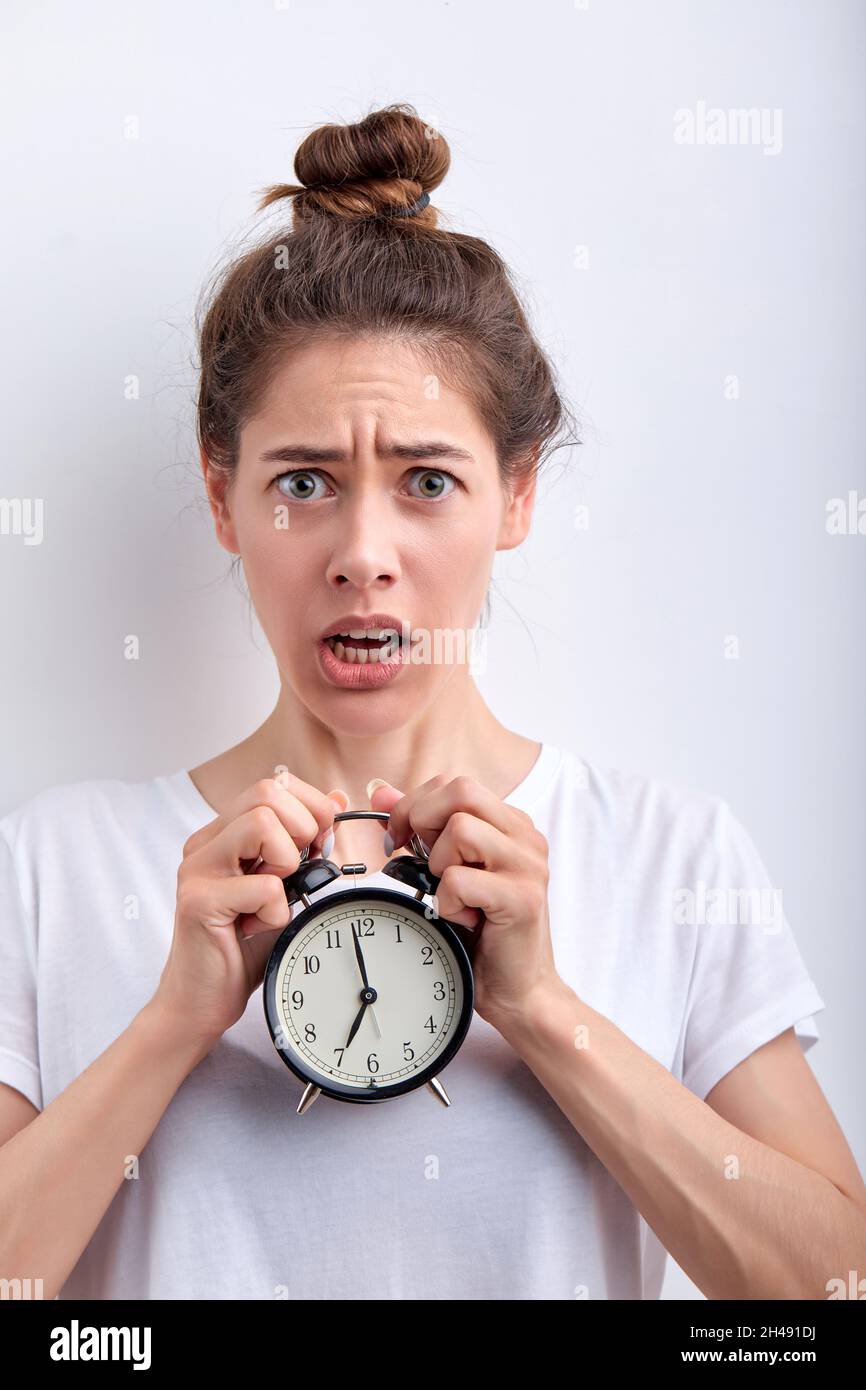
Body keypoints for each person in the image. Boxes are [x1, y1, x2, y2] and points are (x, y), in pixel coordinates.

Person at [1, 103, 863, 1302]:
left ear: (513, 496)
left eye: (425, 481)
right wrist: (170, 1028)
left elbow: (834, 1292)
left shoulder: (667, 852)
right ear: (222, 499)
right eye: (302, 480)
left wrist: (542, 1011)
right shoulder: (53, 867)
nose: (362, 552)